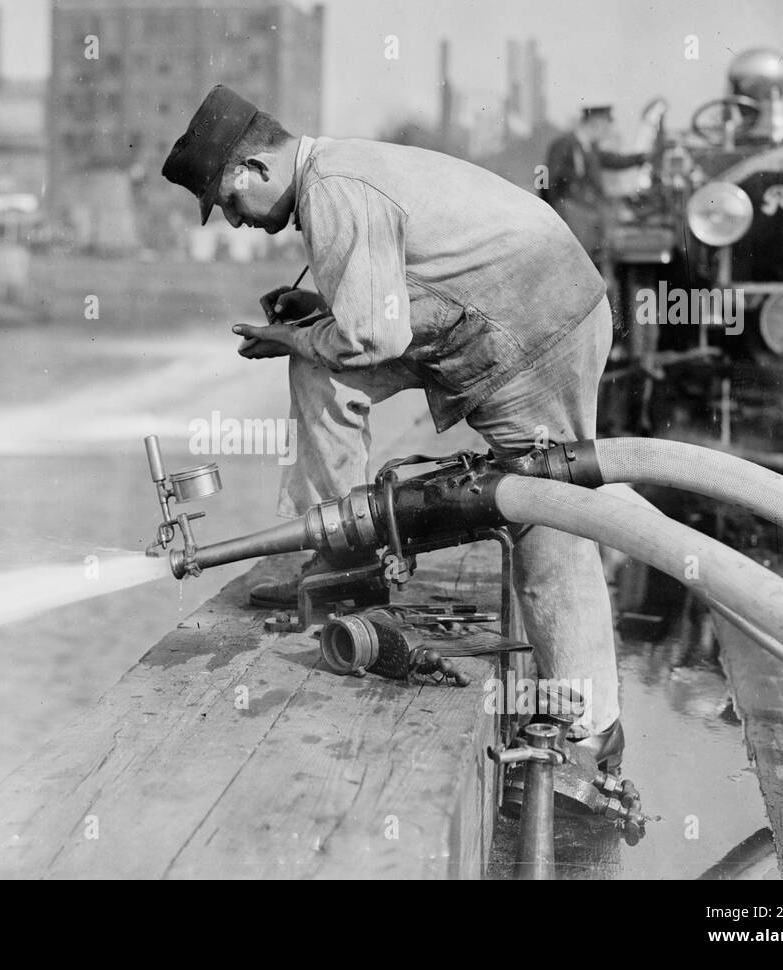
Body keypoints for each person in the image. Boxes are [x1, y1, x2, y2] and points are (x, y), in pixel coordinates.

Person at [161, 85, 623, 768]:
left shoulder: (333, 191)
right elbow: (392, 300)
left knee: (545, 509)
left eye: (230, 203)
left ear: (256, 169)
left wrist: (298, 335)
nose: (236, 222)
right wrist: (319, 311)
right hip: (491, 317)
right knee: (322, 370)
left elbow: (372, 338)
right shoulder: (336, 172)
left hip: (538, 328)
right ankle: (344, 564)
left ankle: (590, 734)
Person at [542, 105, 650, 264]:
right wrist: (548, 210)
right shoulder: (565, 144)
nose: (608, 132)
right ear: (596, 123)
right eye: (606, 126)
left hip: (589, 215)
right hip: (573, 214)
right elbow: (545, 177)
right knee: (576, 263)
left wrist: (641, 158)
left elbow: (614, 160)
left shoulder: (590, 148)